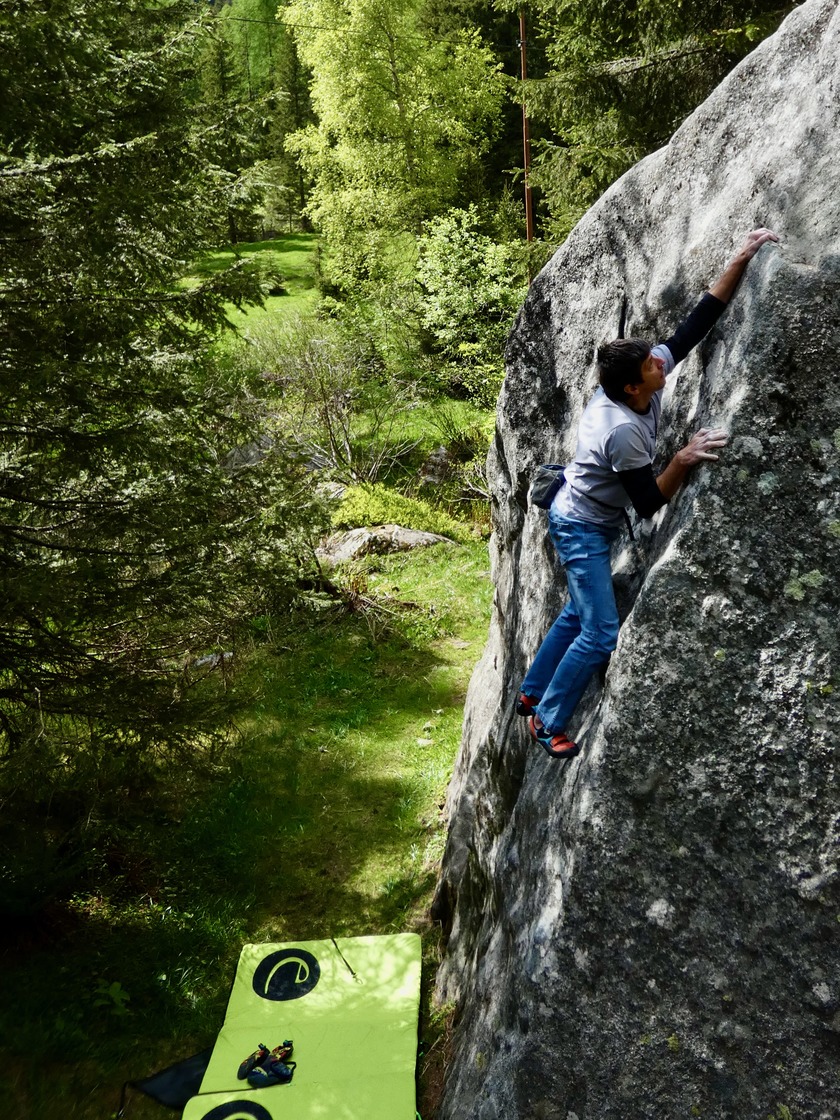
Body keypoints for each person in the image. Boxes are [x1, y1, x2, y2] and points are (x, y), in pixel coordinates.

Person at [518, 228, 779, 761]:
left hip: (589, 514)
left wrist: (741, 257)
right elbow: (649, 504)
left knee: (576, 613)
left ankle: (530, 689)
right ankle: (546, 719)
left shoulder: (636, 384)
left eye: (655, 360)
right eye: (651, 367)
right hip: (581, 526)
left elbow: (696, 324)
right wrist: (682, 459)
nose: (662, 364)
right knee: (599, 632)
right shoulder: (619, 429)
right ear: (633, 387)